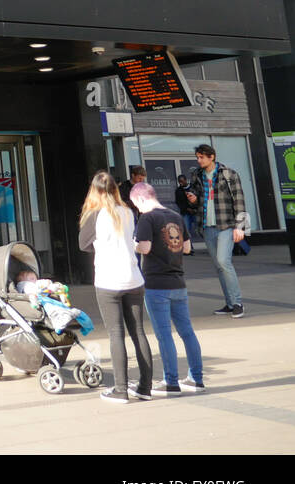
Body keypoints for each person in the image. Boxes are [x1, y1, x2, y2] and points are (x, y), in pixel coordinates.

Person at [78, 170, 154, 402]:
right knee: (138, 332)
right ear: (115, 189)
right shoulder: (128, 212)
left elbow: (83, 244)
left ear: (95, 191)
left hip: (108, 281)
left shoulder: (94, 214)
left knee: (115, 334)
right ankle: (145, 388)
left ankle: (120, 389)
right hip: (134, 278)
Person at [130, 182, 204, 394]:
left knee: (164, 335)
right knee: (187, 332)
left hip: (156, 284)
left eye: (136, 204)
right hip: (178, 282)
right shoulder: (176, 216)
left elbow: (144, 247)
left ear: (141, 199)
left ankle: (171, 381)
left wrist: (133, 243)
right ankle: (196, 379)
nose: (137, 209)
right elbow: (187, 247)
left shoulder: (147, 218)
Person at [187, 144, 248, 319]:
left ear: (211, 156)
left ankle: (237, 303)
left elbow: (240, 200)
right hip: (207, 226)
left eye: (201, 157)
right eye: (197, 157)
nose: (199, 161)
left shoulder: (228, 174)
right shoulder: (196, 175)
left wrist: (241, 227)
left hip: (226, 225)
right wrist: (193, 199)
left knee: (224, 261)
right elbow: (197, 201)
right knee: (219, 267)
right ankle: (229, 304)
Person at [174, 175, 200, 245]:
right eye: (179, 182)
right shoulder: (178, 191)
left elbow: (199, 198)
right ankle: (189, 248)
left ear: (186, 180)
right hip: (186, 213)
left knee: (201, 229)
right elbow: (178, 202)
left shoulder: (193, 188)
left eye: (182, 181)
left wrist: (196, 208)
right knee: (186, 230)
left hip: (196, 212)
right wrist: (186, 209)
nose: (181, 183)